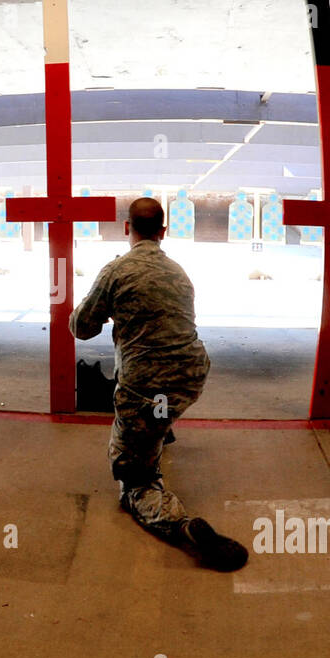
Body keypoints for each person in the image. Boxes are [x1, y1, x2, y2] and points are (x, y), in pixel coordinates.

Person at [68, 197, 248, 571]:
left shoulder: (117, 270)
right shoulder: (178, 271)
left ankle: (182, 526)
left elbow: (82, 328)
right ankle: (158, 427)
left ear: (125, 228)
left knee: (133, 477)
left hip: (145, 385)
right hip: (190, 377)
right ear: (163, 232)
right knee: (159, 407)